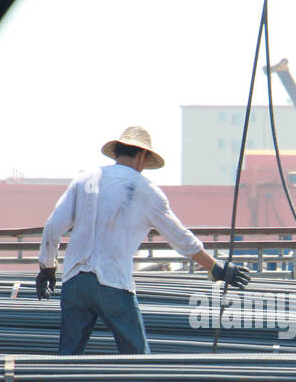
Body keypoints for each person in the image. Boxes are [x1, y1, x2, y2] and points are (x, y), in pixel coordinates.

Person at [36, 125, 250, 354]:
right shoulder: (145, 190)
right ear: (142, 156)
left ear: (117, 151)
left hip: (74, 281)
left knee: (68, 358)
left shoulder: (84, 180)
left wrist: (47, 268)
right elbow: (181, 239)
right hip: (112, 283)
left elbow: (53, 226)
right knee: (138, 360)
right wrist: (216, 268)